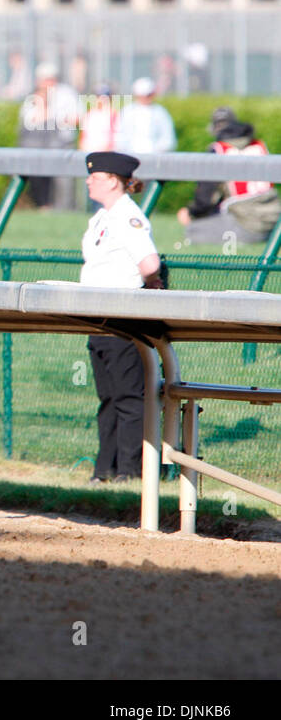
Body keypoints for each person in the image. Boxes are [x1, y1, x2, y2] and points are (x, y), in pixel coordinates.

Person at [80, 151, 165, 484]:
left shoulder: (127, 216)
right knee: (108, 399)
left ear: (113, 181)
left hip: (121, 320)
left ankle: (129, 472)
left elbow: (149, 263)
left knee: (128, 399)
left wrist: (149, 283)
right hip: (99, 320)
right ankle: (104, 470)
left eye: (95, 176)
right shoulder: (102, 217)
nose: (88, 181)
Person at [177, 108, 278, 245]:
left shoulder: (218, 149)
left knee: (192, 231)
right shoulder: (258, 144)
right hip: (274, 217)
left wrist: (191, 211)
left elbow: (205, 198)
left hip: (245, 221)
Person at [16, 62, 79, 209]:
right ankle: (44, 207)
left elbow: (76, 118)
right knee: (39, 183)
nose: (47, 83)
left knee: (64, 183)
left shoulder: (67, 94)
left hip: (62, 145)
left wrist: (53, 118)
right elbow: (28, 121)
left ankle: (64, 211)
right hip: (38, 147)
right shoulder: (33, 97)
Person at [115, 77, 177, 154]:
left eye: (148, 95)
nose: (145, 98)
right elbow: (120, 135)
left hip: (155, 157)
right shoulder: (127, 111)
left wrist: (158, 151)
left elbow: (168, 138)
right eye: (143, 95)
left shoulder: (160, 112)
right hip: (130, 156)